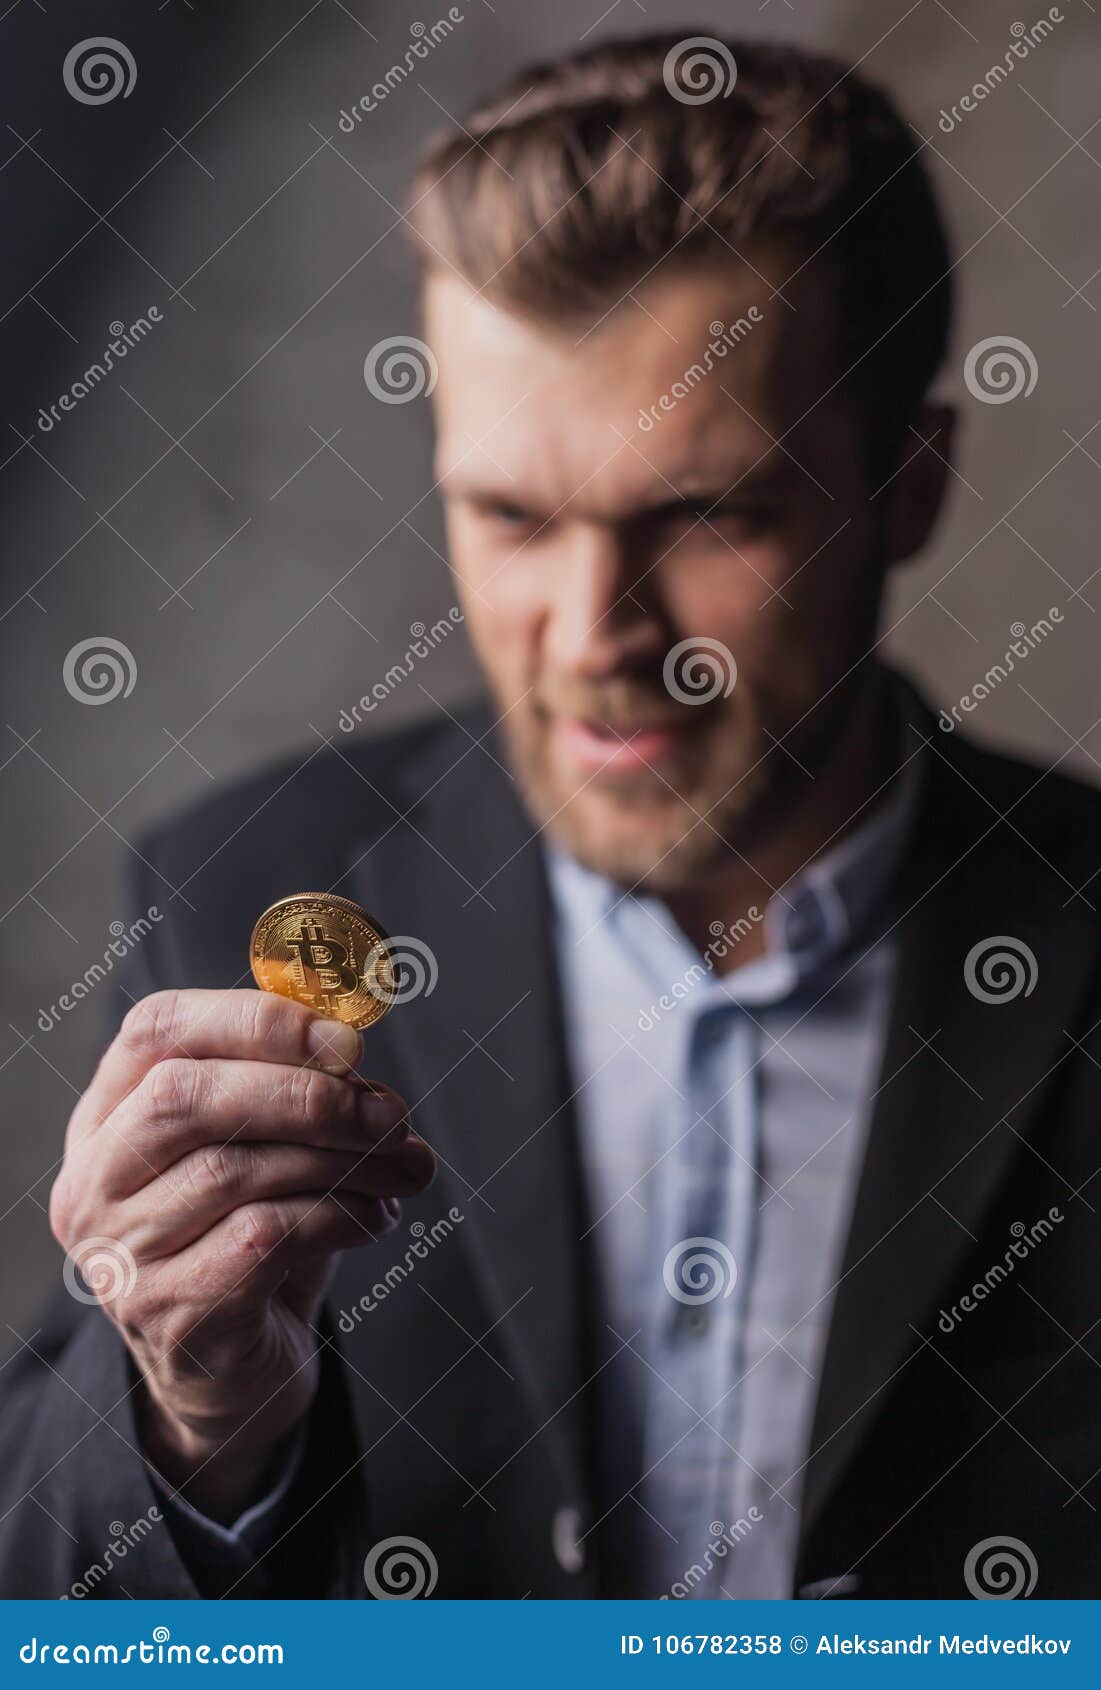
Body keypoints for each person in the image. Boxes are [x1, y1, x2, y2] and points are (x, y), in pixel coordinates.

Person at [3, 32, 1099, 1601]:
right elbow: (44, 1590)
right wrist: (192, 1418)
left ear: (909, 484)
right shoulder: (240, 884)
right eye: (512, 515)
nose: (593, 634)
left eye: (706, 514)